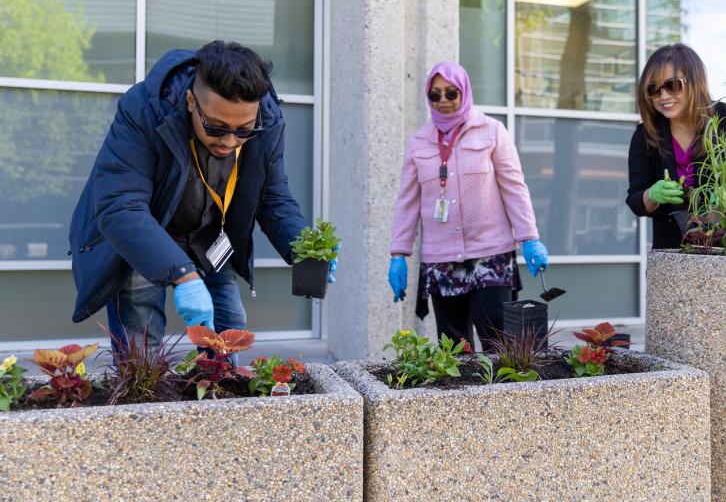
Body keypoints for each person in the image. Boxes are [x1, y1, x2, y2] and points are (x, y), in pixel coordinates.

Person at [69, 41, 330, 349]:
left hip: (207, 236)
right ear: (191, 101)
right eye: (216, 128)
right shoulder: (145, 109)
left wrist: (304, 247)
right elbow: (120, 206)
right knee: (142, 342)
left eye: (244, 130)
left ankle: (216, 395)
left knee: (229, 327)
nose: (231, 142)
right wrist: (184, 276)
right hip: (142, 232)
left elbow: (273, 197)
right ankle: (145, 396)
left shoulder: (267, 122)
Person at [387, 61, 549, 347]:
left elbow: (514, 188)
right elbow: (407, 202)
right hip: (440, 259)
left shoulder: (492, 131)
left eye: (451, 93)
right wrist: (398, 254)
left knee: (500, 344)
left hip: (491, 256)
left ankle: (504, 393)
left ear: (464, 92)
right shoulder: (418, 142)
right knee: (455, 348)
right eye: (435, 95)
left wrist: (529, 239)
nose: (443, 101)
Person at [626, 43, 726, 249]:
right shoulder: (645, 135)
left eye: (673, 85)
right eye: (654, 88)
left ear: (695, 83)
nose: (663, 96)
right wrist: (651, 194)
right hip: (671, 256)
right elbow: (636, 201)